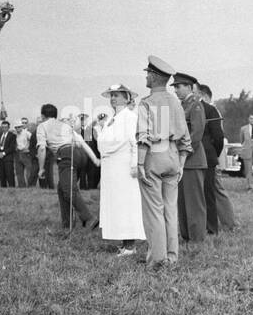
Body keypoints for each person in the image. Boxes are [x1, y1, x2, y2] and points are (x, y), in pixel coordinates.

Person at [137, 56, 191, 268]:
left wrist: (140, 164)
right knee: (170, 209)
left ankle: (157, 259)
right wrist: (181, 164)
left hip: (153, 156)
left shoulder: (147, 103)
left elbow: (143, 136)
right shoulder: (176, 102)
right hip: (173, 156)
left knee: (154, 211)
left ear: (154, 76)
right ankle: (172, 257)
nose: (147, 76)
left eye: (148, 73)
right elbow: (185, 138)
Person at [96, 84, 145, 255]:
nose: (113, 98)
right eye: (111, 95)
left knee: (127, 203)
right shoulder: (112, 118)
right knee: (116, 204)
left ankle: (130, 245)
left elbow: (135, 143)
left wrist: (134, 164)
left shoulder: (130, 117)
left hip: (124, 167)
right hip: (111, 168)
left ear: (127, 98)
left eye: (117, 95)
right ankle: (124, 242)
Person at [35, 104, 97, 231]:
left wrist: (41, 168)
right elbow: (81, 141)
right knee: (62, 188)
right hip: (80, 154)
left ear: (42, 116)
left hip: (66, 154)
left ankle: (88, 218)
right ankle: (67, 225)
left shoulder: (42, 126)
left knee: (68, 189)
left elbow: (41, 148)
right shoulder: (64, 125)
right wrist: (95, 160)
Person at [173, 72, 208, 247]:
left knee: (194, 201)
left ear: (189, 87)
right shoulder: (181, 105)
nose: (176, 90)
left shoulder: (195, 106)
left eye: (178, 87)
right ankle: (186, 235)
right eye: (175, 87)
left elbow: (196, 134)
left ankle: (197, 238)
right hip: (182, 161)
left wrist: (183, 154)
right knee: (183, 202)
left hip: (192, 160)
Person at [199, 84, 235, 233]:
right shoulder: (210, 110)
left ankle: (229, 223)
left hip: (212, 157)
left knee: (217, 189)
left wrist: (214, 155)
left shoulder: (212, 110)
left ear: (203, 95)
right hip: (211, 156)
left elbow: (217, 137)